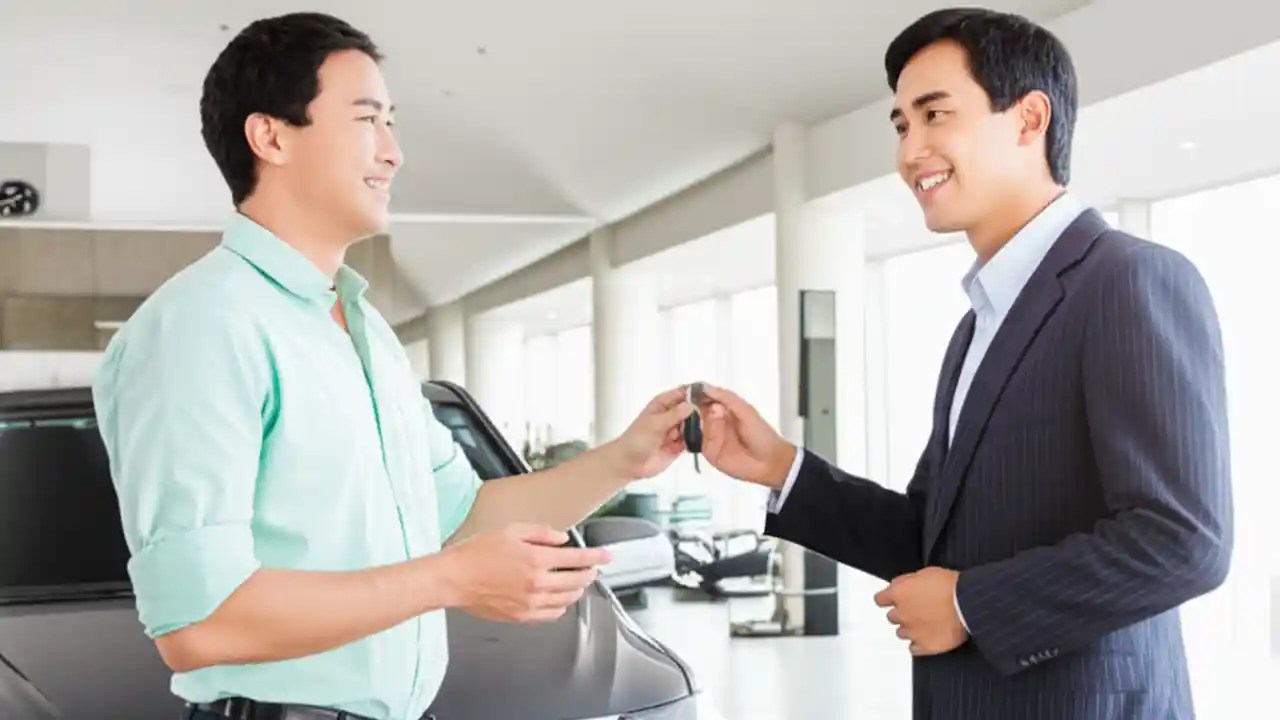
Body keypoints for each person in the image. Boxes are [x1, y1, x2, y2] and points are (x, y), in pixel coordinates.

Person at [91, 12, 694, 720]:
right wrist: (450, 581)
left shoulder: (363, 329)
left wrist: (624, 459)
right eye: (367, 120)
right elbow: (201, 625)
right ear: (271, 136)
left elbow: (461, 515)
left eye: (391, 123)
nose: (393, 153)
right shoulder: (199, 328)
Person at [697, 7, 1232, 719]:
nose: (909, 150)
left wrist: (968, 606)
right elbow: (931, 535)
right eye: (900, 125)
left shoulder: (1129, 280)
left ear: (1028, 119)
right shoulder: (977, 324)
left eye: (934, 114)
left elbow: (1184, 540)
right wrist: (781, 468)